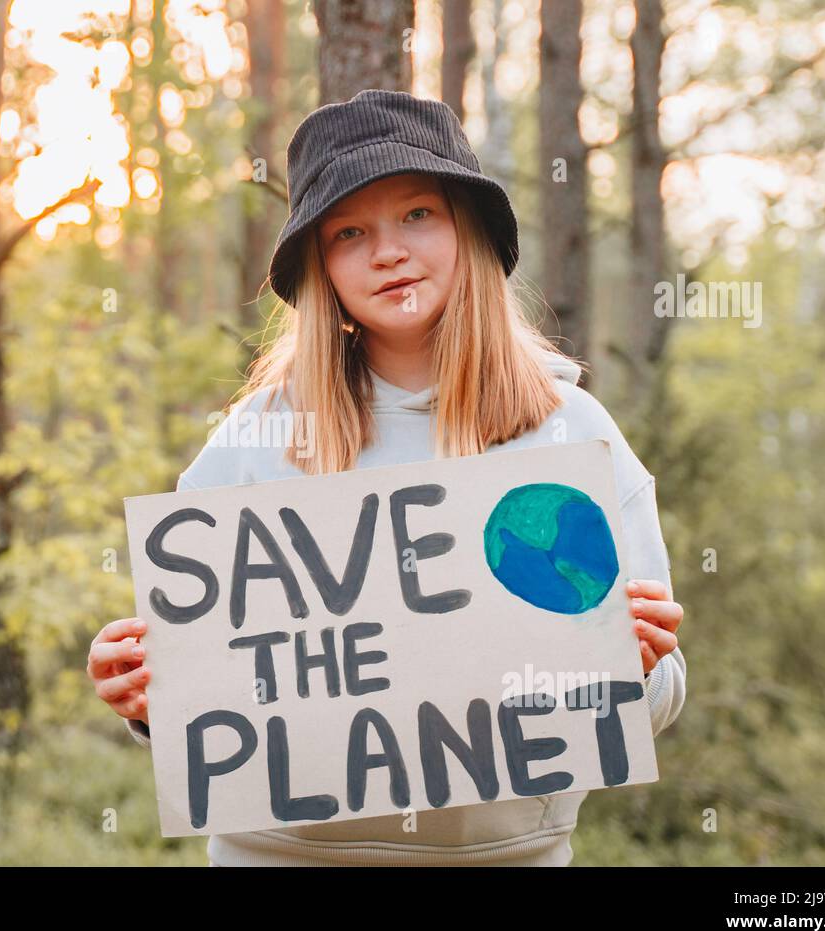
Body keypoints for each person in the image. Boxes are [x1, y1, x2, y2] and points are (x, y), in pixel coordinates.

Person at [88, 89, 686, 866]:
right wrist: (142, 693)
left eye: (417, 215)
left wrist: (636, 661)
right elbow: (198, 694)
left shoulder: (571, 431)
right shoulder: (252, 443)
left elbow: (655, 700)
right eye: (349, 232)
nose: (388, 251)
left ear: (468, 231)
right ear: (320, 267)